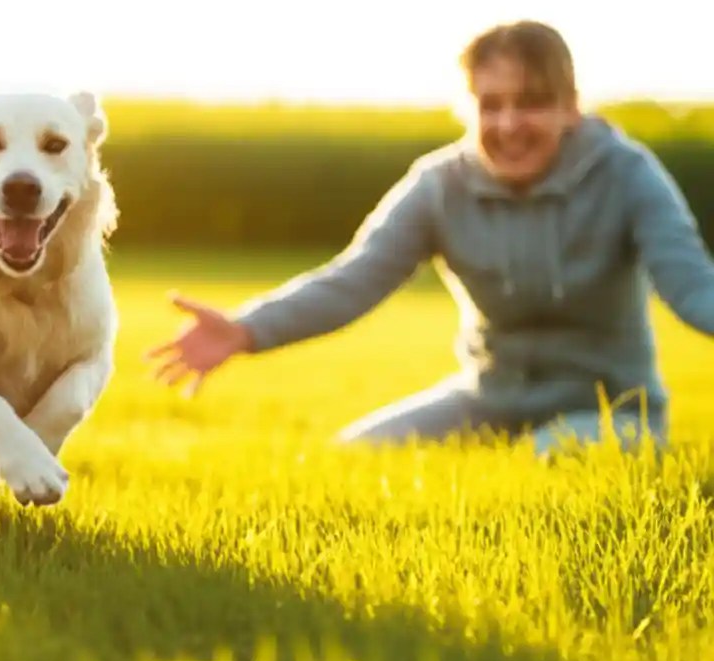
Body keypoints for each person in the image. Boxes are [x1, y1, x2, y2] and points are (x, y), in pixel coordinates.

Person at [146, 20, 714, 455]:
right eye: (491, 105)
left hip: (613, 408)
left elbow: (691, 285)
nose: (509, 124)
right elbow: (354, 279)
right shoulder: (441, 185)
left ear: (569, 107)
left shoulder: (626, 172)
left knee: (552, 456)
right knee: (355, 456)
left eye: (531, 102)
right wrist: (248, 328)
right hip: (489, 400)